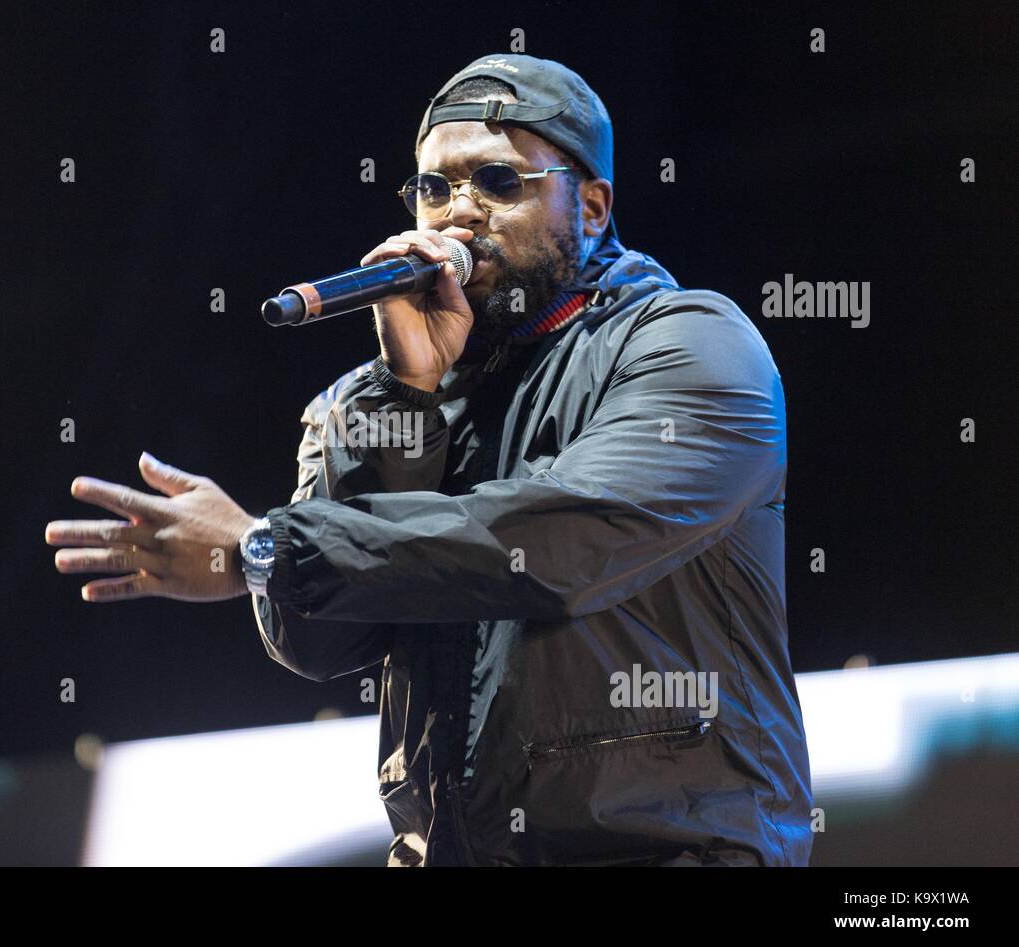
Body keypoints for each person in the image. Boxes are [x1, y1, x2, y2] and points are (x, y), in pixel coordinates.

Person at [45, 54, 813, 866]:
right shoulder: (368, 395)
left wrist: (257, 547)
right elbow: (318, 641)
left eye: (498, 181)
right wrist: (405, 397)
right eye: (434, 188)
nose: (458, 214)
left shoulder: (690, 345)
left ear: (590, 205)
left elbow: (556, 547)